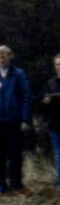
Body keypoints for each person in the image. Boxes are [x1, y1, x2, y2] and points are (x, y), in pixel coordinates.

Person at [0, 45, 31, 193]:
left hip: (14, 121)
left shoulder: (18, 74)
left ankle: (16, 183)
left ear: (10, 57)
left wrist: (25, 119)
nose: (2, 59)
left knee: (15, 154)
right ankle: (0, 184)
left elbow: (25, 97)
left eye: (5, 56)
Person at [37, 53, 60, 190]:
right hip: (55, 124)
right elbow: (41, 101)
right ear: (54, 66)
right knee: (58, 155)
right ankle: (59, 183)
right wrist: (45, 100)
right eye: (58, 64)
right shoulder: (49, 83)